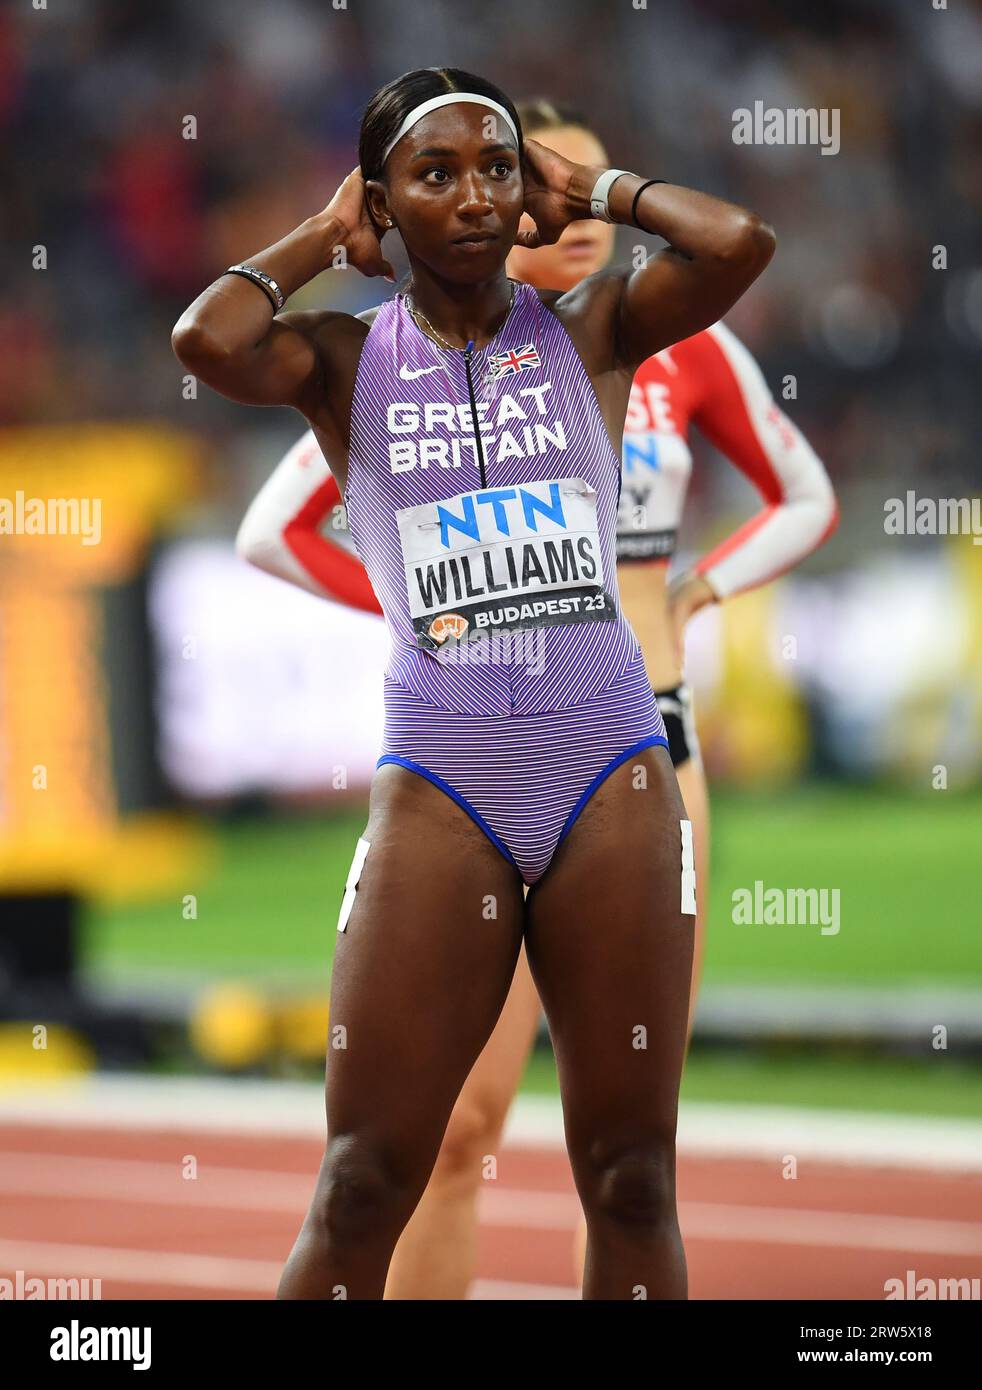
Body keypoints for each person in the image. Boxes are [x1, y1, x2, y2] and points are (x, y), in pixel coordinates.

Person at [173, 66, 776, 1300]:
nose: (472, 196)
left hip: (613, 766)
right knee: (359, 1181)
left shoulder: (596, 329)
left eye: (494, 169)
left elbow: (738, 244)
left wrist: (595, 186)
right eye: (432, 174)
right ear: (381, 205)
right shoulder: (342, 359)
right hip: (443, 783)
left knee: (630, 1177)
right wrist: (316, 236)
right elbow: (206, 338)